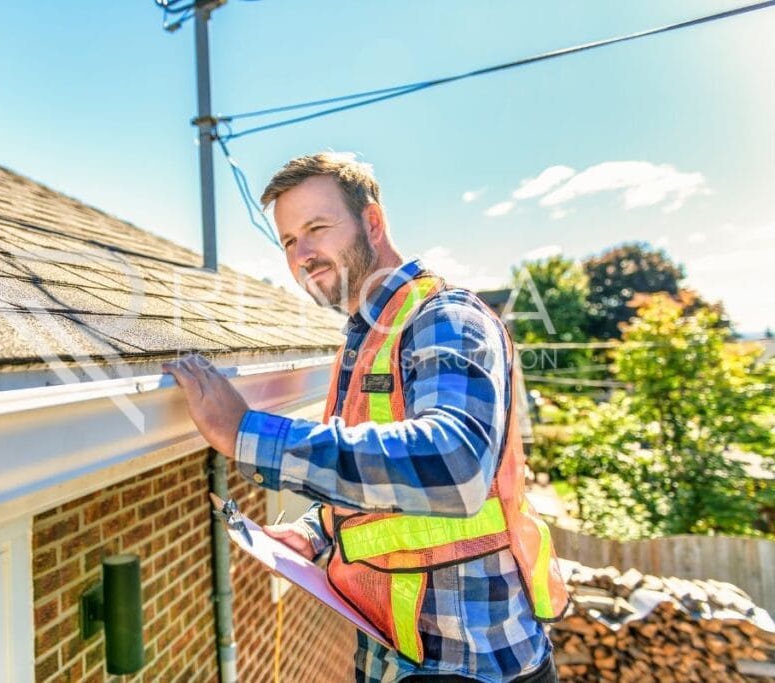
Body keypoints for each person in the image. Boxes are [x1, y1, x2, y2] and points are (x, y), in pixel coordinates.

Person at [163, 152, 568, 682]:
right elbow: (387, 489)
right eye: (288, 241)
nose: (302, 254)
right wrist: (316, 531)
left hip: (474, 664)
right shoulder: (364, 342)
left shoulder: (444, 318)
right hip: (395, 658)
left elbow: (456, 466)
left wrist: (246, 434)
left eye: (316, 228)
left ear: (371, 222)